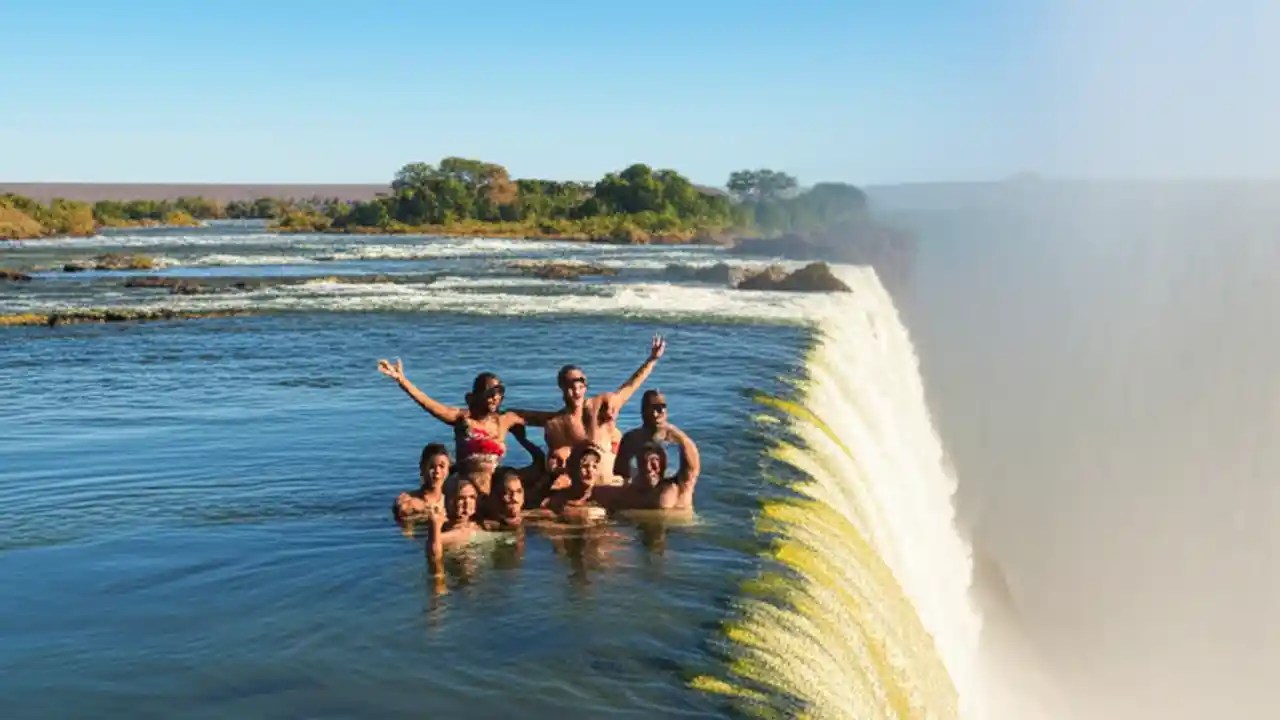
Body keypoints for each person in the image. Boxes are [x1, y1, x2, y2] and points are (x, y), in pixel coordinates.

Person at [375, 363, 552, 472]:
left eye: (499, 392)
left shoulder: (506, 419)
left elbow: (546, 419)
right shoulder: (463, 419)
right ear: (474, 396)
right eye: (489, 392)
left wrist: (578, 410)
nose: (494, 397)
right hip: (465, 482)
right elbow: (430, 405)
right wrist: (402, 381)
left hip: (494, 480)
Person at [542, 335, 665, 477]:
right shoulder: (556, 424)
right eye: (571, 387)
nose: (576, 392)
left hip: (612, 481)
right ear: (561, 387)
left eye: (580, 387)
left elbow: (630, 387)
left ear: (585, 388)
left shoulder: (600, 409)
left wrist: (652, 360)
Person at [612, 424, 700, 510]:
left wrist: (678, 436)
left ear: (663, 464)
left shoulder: (678, 488)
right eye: (643, 463)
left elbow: (692, 467)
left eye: (654, 463)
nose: (648, 468)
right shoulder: (630, 493)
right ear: (638, 466)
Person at [426, 477, 482, 571]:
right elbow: (434, 557)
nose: (467, 503)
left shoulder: (481, 524)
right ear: (448, 501)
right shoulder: (444, 534)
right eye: (461, 498)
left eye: (472, 497)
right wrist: (435, 526)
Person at [614, 389, 668, 478]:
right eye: (649, 409)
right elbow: (620, 475)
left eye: (659, 409)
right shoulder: (631, 440)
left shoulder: (676, 441)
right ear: (642, 411)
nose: (655, 414)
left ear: (666, 410)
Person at [393, 443, 451, 523]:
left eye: (442, 466)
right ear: (422, 468)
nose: (437, 471)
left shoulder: (453, 500)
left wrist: (425, 508)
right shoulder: (408, 501)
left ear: (448, 469)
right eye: (432, 466)